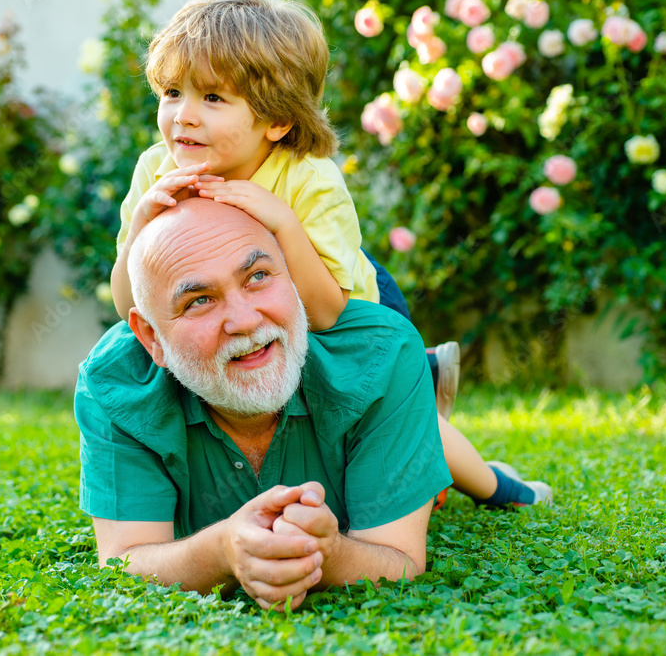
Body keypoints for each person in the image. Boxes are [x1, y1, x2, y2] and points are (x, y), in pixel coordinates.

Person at [106, 0, 552, 510]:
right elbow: (127, 308)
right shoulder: (155, 171)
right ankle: (426, 387)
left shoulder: (308, 180)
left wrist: (282, 222)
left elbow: (328, 313)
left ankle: (499, 485)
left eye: (212, 98)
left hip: (344, 308)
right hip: (252, 323)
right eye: (172, 93)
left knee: (400, 423)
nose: (182, 116)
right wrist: (141, 226)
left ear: (276, 120)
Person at [77, 199, 454, 610]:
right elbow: (124, 561)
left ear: (292, 278)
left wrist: (329, 554)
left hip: (371, 386)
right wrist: (222, 550)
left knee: (441, 470)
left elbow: (399, 559)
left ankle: (458, 448)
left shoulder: (383, 354)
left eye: (257, 276)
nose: (246, 320)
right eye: (198, 300)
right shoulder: (115, 385)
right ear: (151, 339)